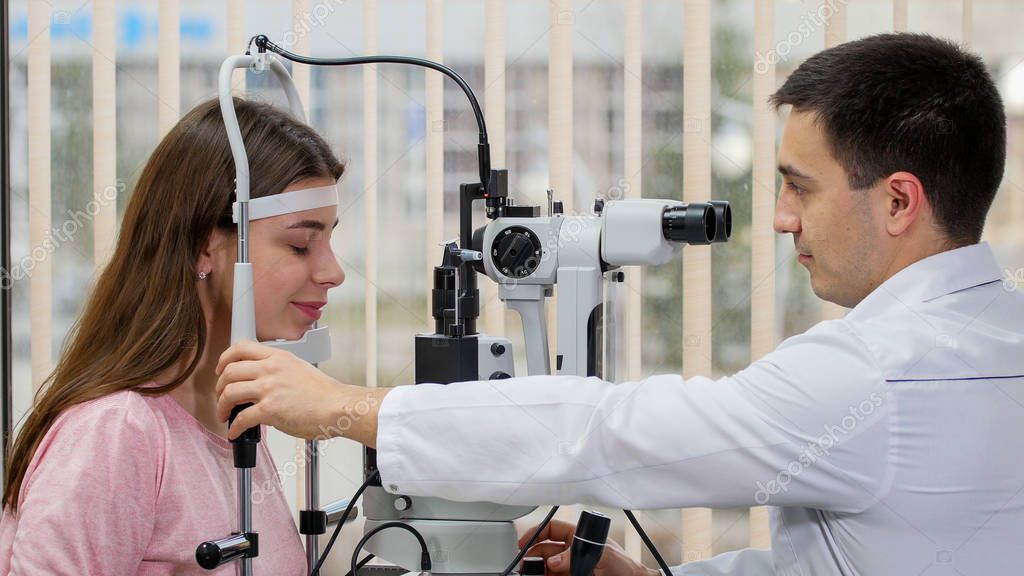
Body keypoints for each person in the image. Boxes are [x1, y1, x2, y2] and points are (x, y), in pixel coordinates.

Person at [214, 34, 1024, 575]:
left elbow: (608, 434)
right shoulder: (1000, 338)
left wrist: (345, 407)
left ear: (898, 202)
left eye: (798, 187)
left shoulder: (873, 378)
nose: (781, 217)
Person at [0, 97, 346, 573]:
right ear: (207, 245)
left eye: (329, 240)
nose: (334, 271)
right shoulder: (117, 433)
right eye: (300, 245)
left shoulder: (234, 415)